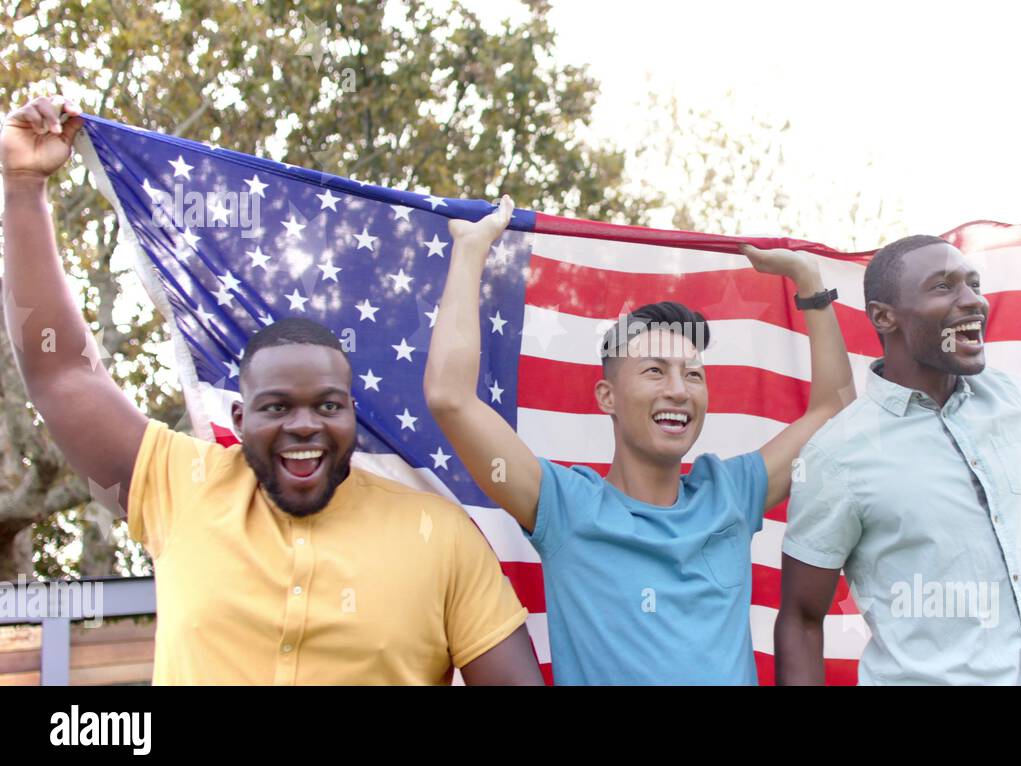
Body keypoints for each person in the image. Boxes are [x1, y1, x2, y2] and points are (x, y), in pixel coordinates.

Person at [1, 94, 542, 685]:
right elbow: (62, 375)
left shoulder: (442, 537)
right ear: (240, 415)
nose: (304, 423)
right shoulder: (180, 486)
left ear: (353, 417)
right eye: (277, 406)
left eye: (328, 406)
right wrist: (24, 185)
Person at [424, 197, 855, 684]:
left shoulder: (730, 493)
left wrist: (811, 284)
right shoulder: (565, 507)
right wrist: (471, 249)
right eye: (655, 370)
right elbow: (450, 397)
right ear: (607, 396)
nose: (678, 388)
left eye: (693, 374)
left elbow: (835, 411)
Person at [774, 218, 1021, 685]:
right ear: (884, 316)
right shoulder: (837, 455)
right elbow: (801, 620)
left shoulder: (1009, 401)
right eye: (943, 287)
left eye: (974, 284)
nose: (973, 300)